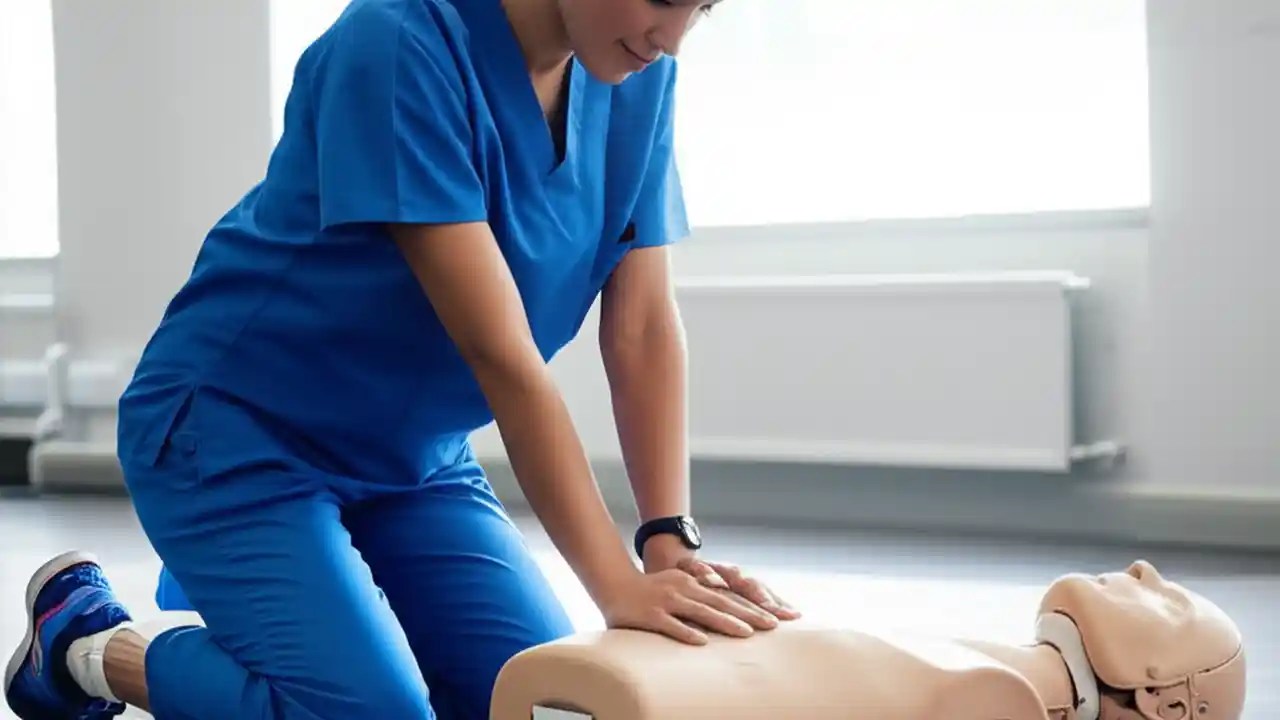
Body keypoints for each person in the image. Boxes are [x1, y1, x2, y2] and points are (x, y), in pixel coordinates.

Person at [3, 0, 801, 718]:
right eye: (664, 0)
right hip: (235, 435)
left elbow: (642, 329)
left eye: (702, 8)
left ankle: (308, 627)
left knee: (531, 699)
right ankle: (87, 648)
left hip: (412, 461)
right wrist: (616, 587)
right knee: (376, 716)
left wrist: (669, 542)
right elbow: (503, 356)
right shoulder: (395, 44)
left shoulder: (635, 72)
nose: (674, 39)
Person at [491, 560, 1249, 720]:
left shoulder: (1001, 697)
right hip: (631, 675)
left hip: (643, 693)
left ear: (1163, 700)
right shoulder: (993, 671)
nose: (1144, 569)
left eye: (1170, 602)